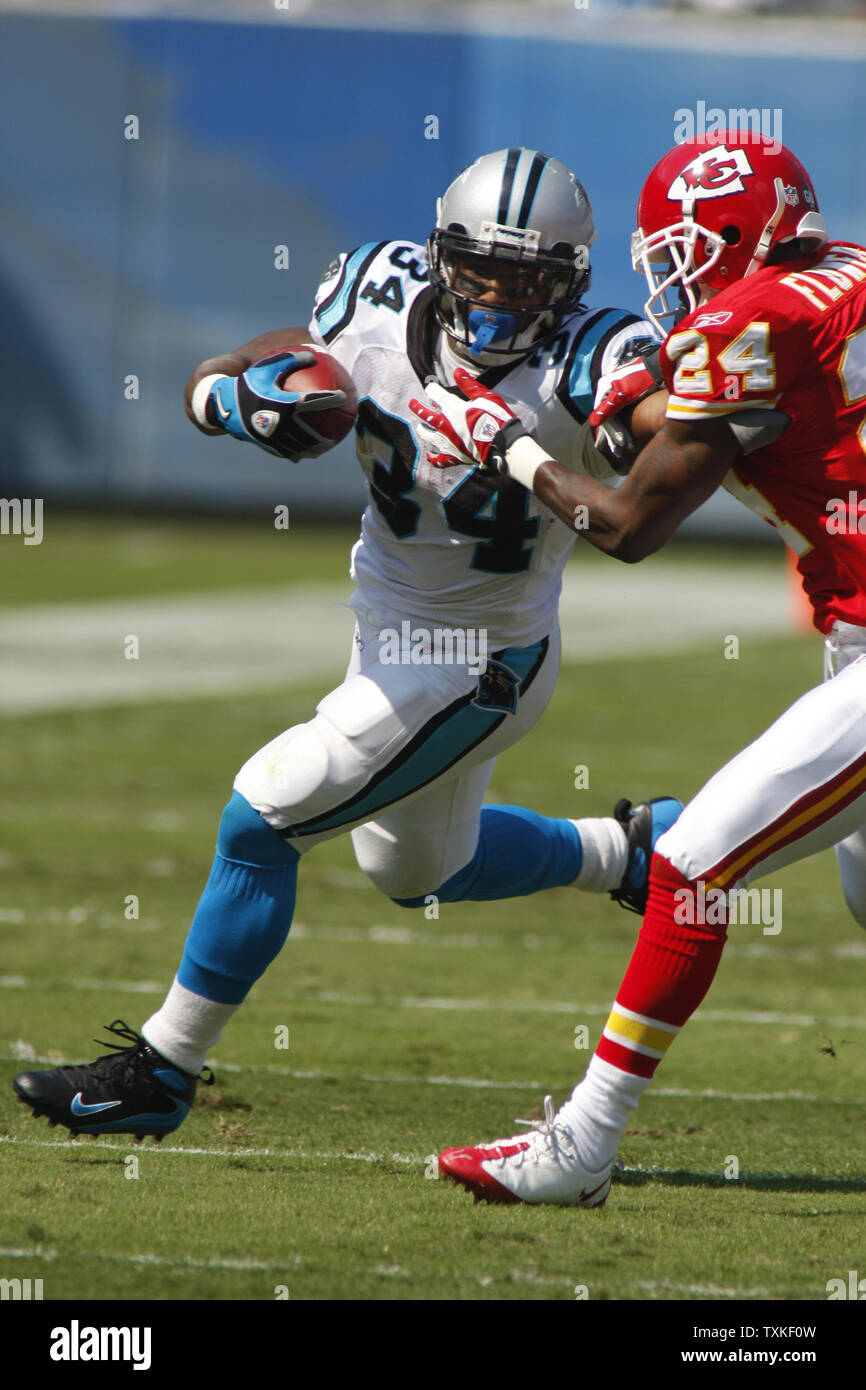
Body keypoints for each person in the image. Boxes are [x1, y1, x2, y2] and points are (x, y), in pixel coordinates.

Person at [13, 149, 680, 1140]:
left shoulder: (594, 355)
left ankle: (161, 1068)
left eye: (525, 277)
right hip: (383, 636)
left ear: (568, 284)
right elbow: (268, 353)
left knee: (262, 814)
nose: (495, 294)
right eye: (477, 267)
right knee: (417, 874)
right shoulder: (377, 290)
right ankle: (626, 851)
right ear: (437, 255)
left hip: (479, 662)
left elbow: (649, 476)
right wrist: (230, 401)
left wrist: (528, 447)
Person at [411, 132, 866, 1205]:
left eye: (676, 251)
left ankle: (579, 1144)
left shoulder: (743, 319)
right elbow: (721, 428)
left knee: (694, 862)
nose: (667, 278)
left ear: (727, 233)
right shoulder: (833, 273)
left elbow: (626, 524)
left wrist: (502, 442)